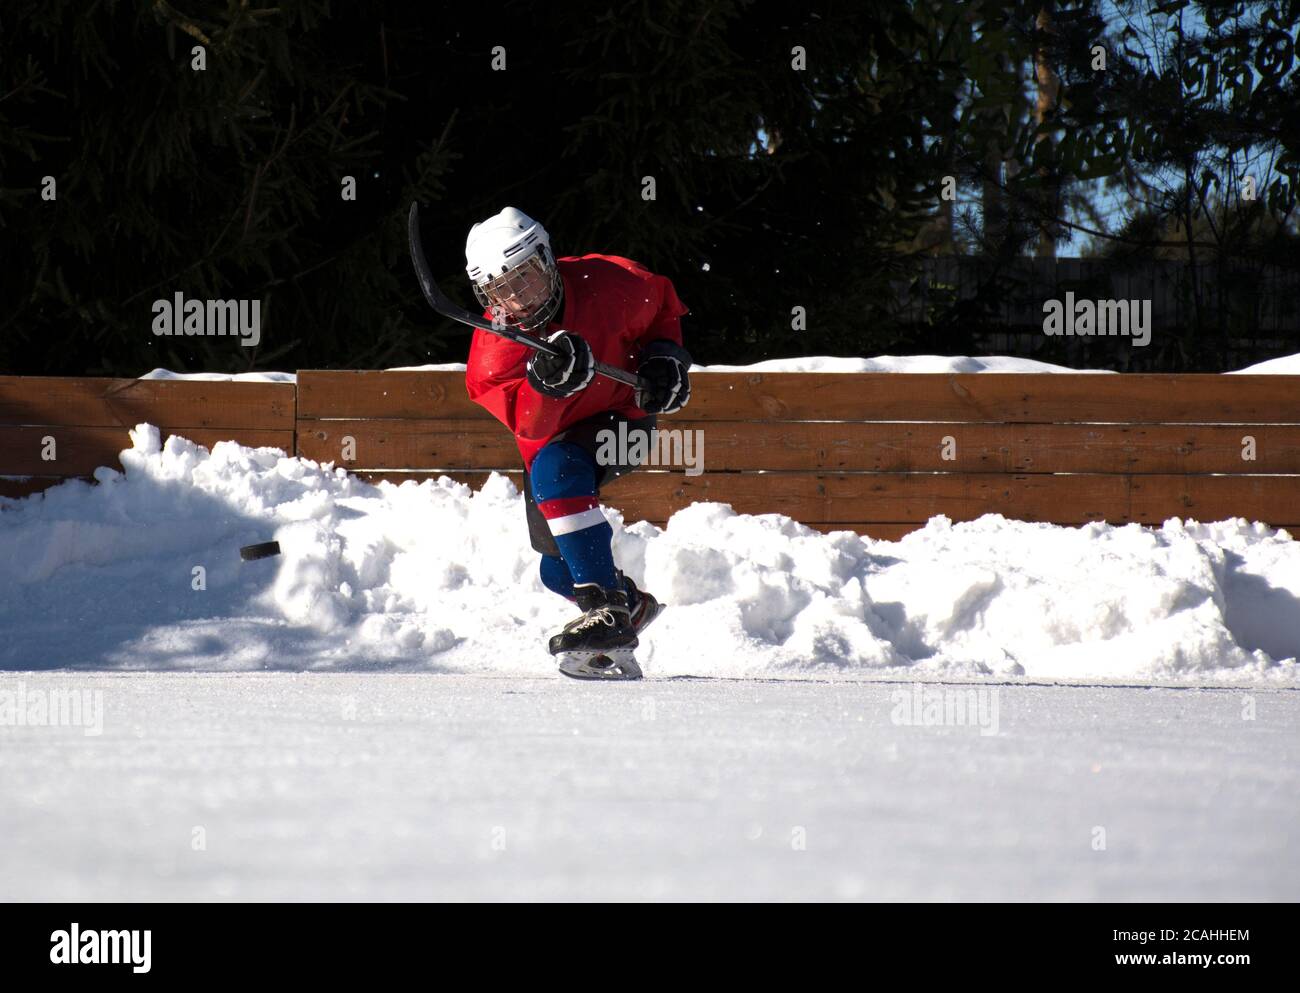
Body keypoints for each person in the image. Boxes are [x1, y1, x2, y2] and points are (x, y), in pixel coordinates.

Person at [463, 207, 692, 671]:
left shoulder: (611, 282)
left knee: (556, 468)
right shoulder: (494, 352)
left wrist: (665, 358)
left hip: (625, 426)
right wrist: (546, 387)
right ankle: (629, 604)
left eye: (525, 279)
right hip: (554, 439)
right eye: (499, 291)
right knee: (556, 570)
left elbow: (663, 311)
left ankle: (608, 610)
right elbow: (530, 425)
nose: (518, 300)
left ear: (547, 259)